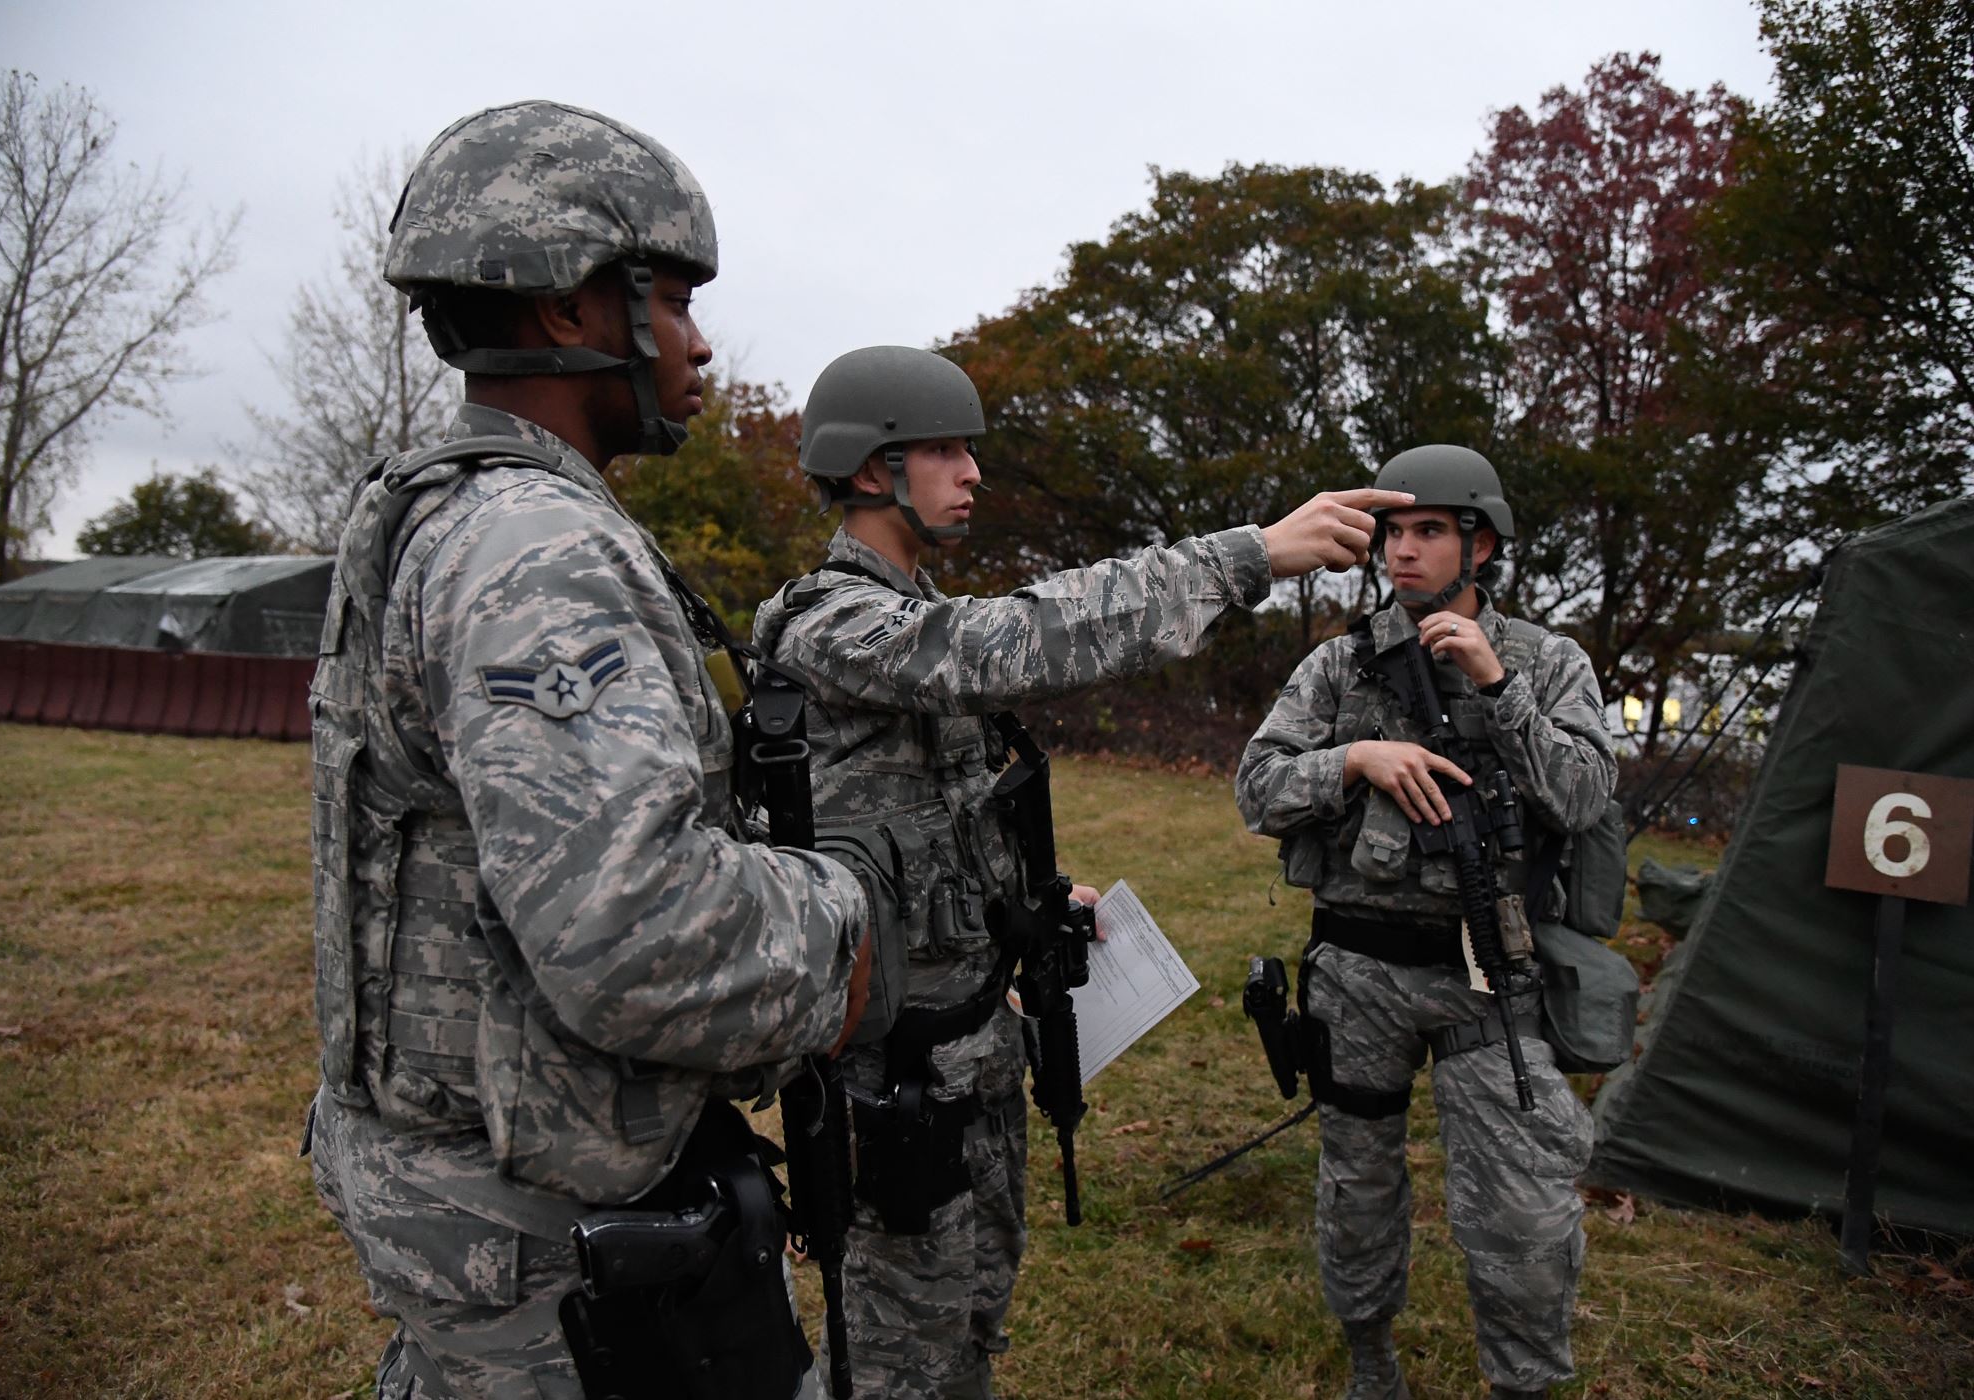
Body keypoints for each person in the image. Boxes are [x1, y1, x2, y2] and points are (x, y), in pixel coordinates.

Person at [304, 101, 871, 1400]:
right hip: (542, 1250)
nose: (698, 341)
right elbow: (631, 929)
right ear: (572, 311)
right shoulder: (532, 545)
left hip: (472, 1213)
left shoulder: (444, 506)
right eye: (669, 300)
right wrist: (846, 929)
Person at [749, 343, 1411, 1399]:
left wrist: (1026, 903)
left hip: (975, 1049)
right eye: (946, 450)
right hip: (894, 1078)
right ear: (873, 469)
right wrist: (1247, 554)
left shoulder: (911, 613)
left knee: (968, 1332)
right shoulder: (836, 624)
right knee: (889, 1362)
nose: (973, 473)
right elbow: (1023, 638)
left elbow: (930, 814)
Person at [1235, 445, 1615, 1400]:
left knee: (1523, 1211)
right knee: (1358, 1191)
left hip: (1486, 973)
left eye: (1430, 532)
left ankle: (1522, 1381)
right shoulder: (1340, 663)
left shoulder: (1545, 661)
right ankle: (1371, 1361)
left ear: (1478, 544)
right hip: (1357, 975)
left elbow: (1582, 795)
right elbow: (1257, 788)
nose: (1404, 551)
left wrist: (1498, 690)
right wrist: (1354, 759)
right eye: (1395, 533)